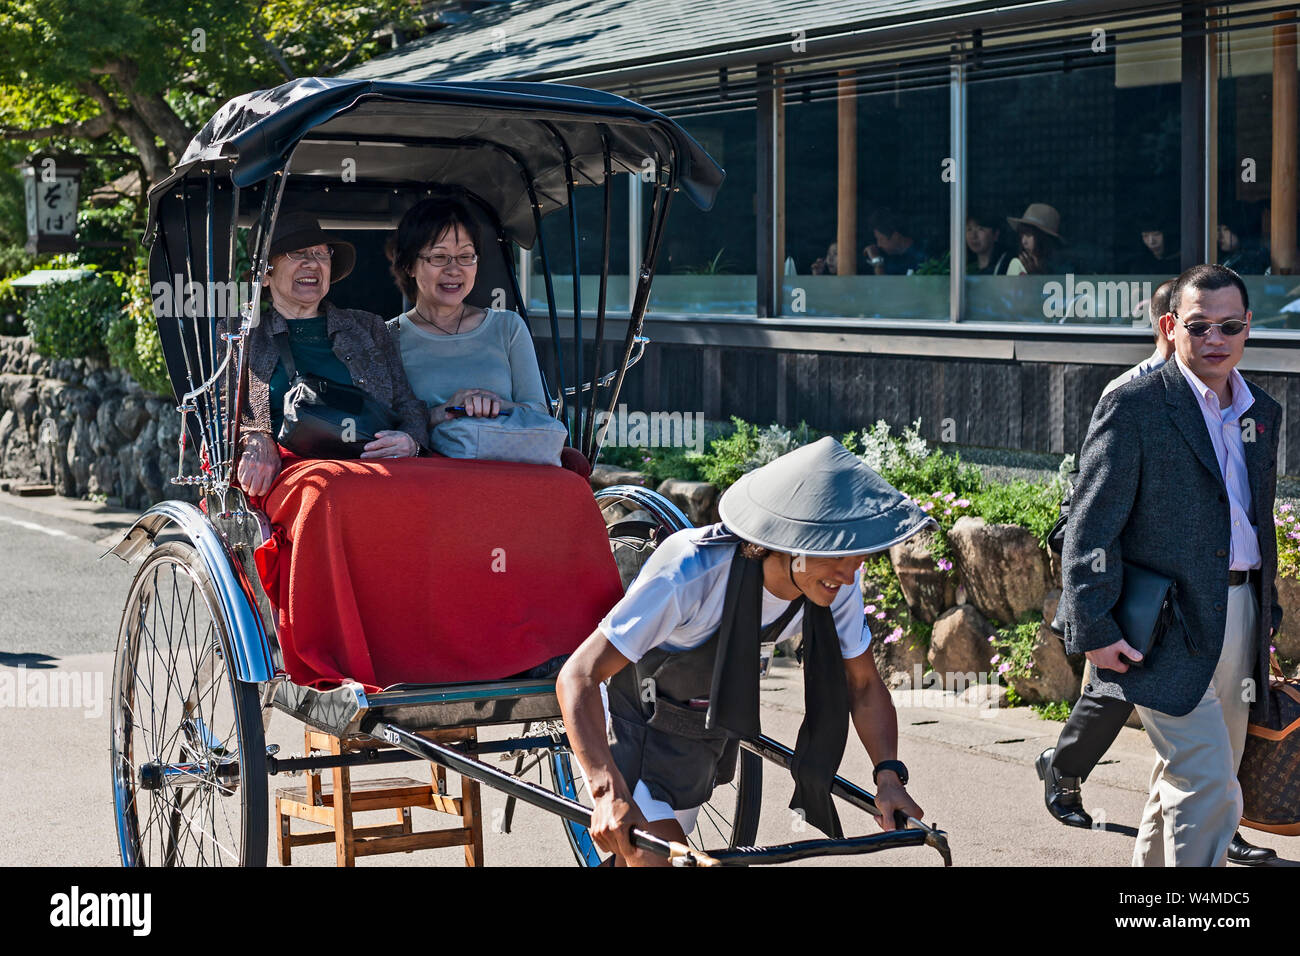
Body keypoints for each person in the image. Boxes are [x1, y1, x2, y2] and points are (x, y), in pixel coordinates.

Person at [556, 437, 932, 866]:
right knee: (663, 861)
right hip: (626, 725)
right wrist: (605, 790)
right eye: (837, 557)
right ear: (789, 541)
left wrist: (889, 775)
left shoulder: (833, 581)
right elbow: (578, 675)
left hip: (697, 736)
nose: (848, 576)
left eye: (856, 558)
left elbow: (863, 685)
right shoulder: (691, 571)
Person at [1060, 264, 1283, 867]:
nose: (1215, 338)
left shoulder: (1262, 410)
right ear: (1170, 326)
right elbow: (1090, 522)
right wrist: (1094, 628)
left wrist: (1268, 609)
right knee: (1208, 780)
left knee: (1193, 773)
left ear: (1247, 329)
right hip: (1160, 624)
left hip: (1239, 613)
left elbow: (1254, 519)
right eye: (1199, 325)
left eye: (1229, 325)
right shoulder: (1134, 405)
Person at [231, 212, 428, 496]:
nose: (312, 263)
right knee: (325, 490)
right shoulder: (243, 335)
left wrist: (410, 440)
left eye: (321, 253)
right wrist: (255, 437)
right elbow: (220, 415)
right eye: (297, 253)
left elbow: (408, 404)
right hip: (294, 474)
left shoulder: (367, 327)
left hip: (375, 465)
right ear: (264, 275)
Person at [385, 196, 548, 432]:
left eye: (465, 257)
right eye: (439, 257)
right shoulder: (388, 336)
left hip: (503, 463)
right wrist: (445, 411)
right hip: (423, 467)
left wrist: (497, 405)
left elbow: (540, 414)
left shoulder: (508, 327)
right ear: (409, 265)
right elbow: (380, 426)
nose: (454, 270)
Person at [1099, 278, 1175, 397]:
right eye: (1198, 324)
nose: (1212, 337)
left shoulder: (1207, 382)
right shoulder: (1122, 393)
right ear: (1169, 327)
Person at [1005, 203, 1064, 276]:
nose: (1024, 241)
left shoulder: (1062, 268)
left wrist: (1036, 277)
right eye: (1022, 234)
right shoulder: (1017, 265)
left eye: (1029, 235)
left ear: (1043, 238)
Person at [863, 209, 927, 275]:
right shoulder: (888, 258)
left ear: (896, 236)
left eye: (880, 239)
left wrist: (877, 261)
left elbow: (883, 284)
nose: (879, 245)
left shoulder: (922, 256)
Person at [966, 210, 1011, 276]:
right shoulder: (964, 267)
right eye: (969, 229)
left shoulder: (1006, 266)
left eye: (980, 229)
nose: (973, 236)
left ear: (996, 234)